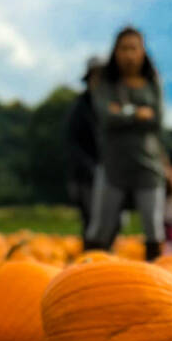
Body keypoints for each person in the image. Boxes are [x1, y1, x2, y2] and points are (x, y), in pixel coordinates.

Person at [85, 27, 165, 261]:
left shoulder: (153, 83)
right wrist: (138, 113)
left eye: (134, 48)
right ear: (115, 52)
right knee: (101, 226)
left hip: (148, 165)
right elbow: (106, 117)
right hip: (113, 166)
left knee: (153, 226)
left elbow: (157, 120)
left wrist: (123, 112)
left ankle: (158, 279)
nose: (129, 55)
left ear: (142, 52)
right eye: (124, 49)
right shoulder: (104, 83)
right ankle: (85, 277)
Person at [64, 57, 103, 237]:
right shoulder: (80, 108)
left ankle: (106, 259)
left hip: (110, 173)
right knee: (91, 220)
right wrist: (89, 167)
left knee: (111, 221)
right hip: (86, 174)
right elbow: (72, 143)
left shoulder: (110, 106)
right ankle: (91, 258)